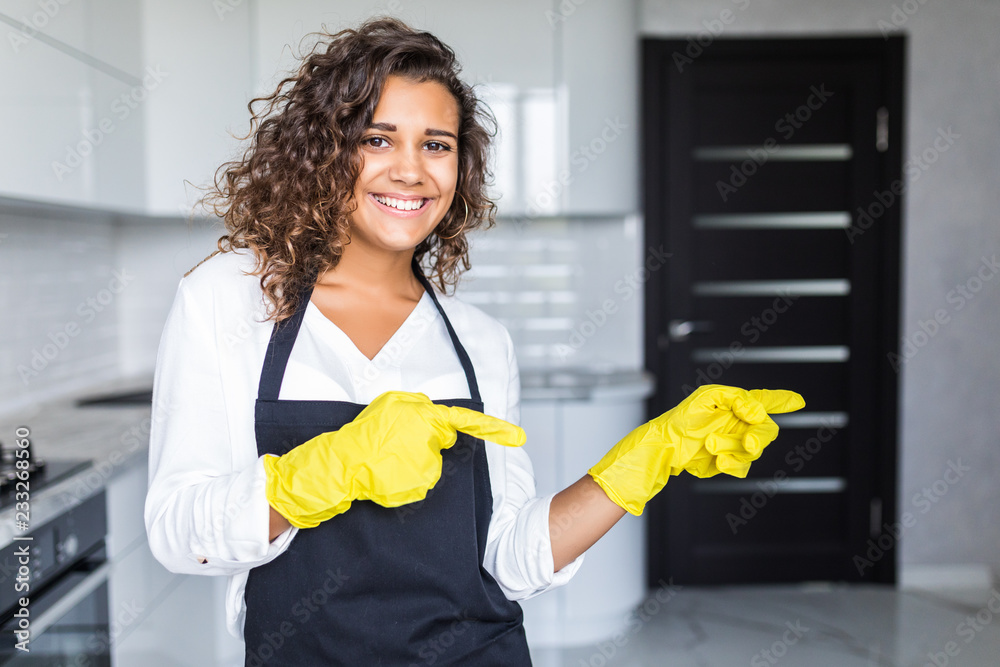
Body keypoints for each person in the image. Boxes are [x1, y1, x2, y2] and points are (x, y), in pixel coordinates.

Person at [144, 17, 804, 666]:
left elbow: (509, 559)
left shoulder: (478, 341)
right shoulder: (228, 300)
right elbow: (176, 533)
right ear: (321, 151)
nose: (411, 170)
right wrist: (314, 476)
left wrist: (640, 463)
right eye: (378, 138)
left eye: (437, 144)